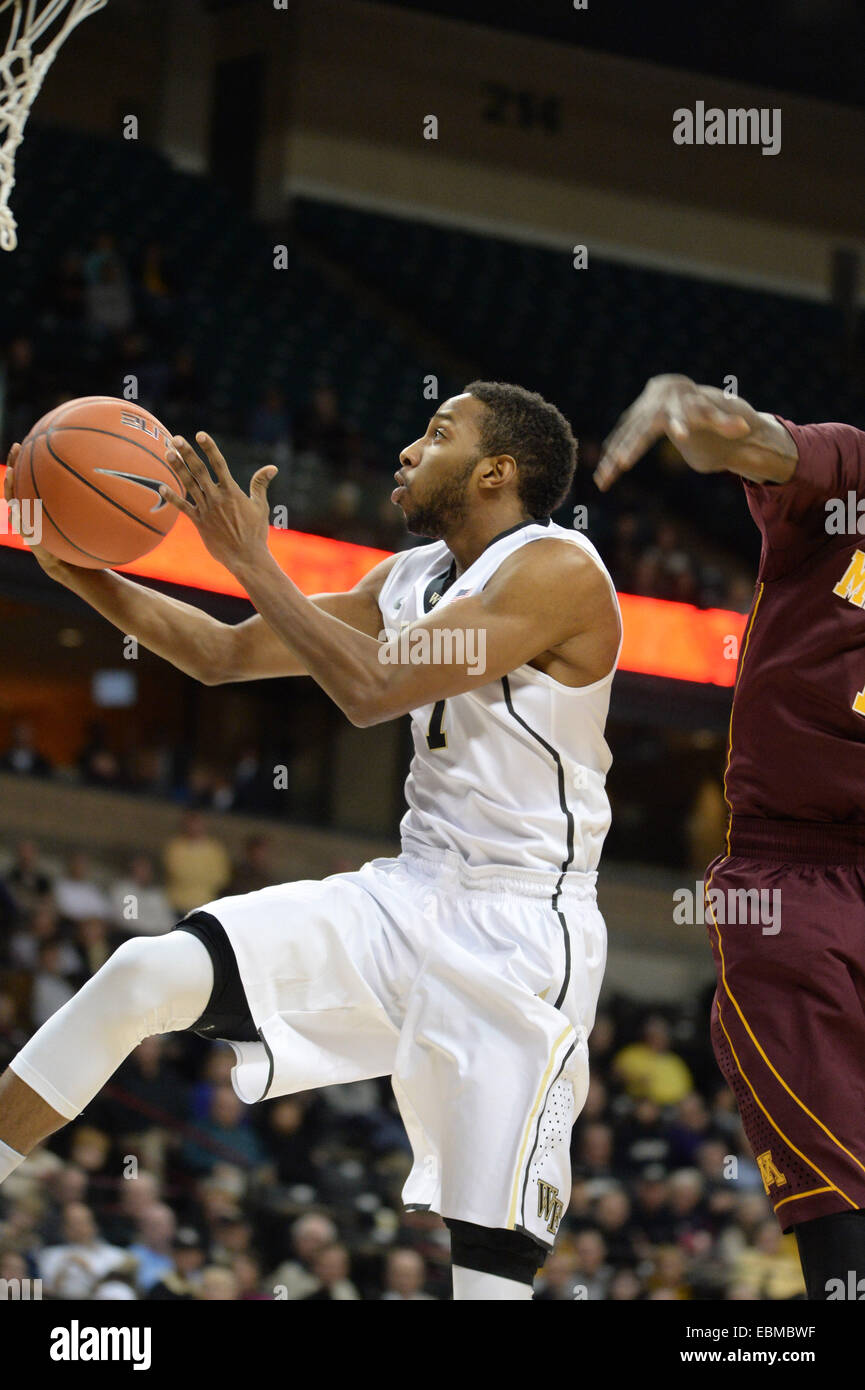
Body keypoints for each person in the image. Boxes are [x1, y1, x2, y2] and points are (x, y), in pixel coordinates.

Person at [0, 381, 621, 1301]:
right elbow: (220, 654)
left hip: (522, 938)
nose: (409, 449)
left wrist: (252, 558)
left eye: (438, 433)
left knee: (487, 1285)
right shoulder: (407, 578)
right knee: (141, 975)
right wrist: (77, 568)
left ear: (498, 471)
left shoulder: (557, 571)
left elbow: (374, 691)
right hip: (407, 893)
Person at [595, 372, 865, 1301]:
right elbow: (749, 445)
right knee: (838, 1204)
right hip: (796, 874)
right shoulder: (850, 474)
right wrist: (695, 412)